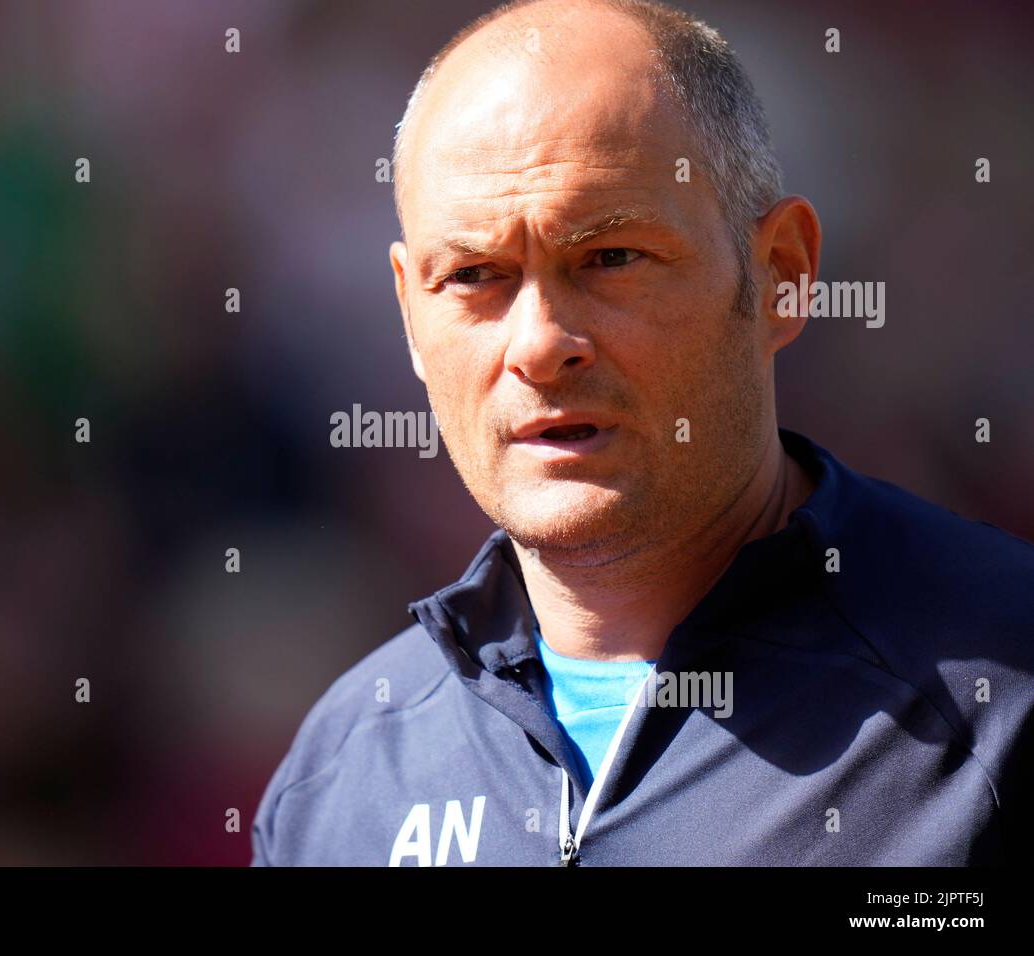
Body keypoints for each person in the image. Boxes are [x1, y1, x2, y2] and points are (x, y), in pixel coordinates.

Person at [251, 0, 1034, 865]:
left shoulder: (1005, 699)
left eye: (611, 258)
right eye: (474, 275)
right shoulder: (342, 780)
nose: (539, 344)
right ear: (409, 316)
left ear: (782, 273)